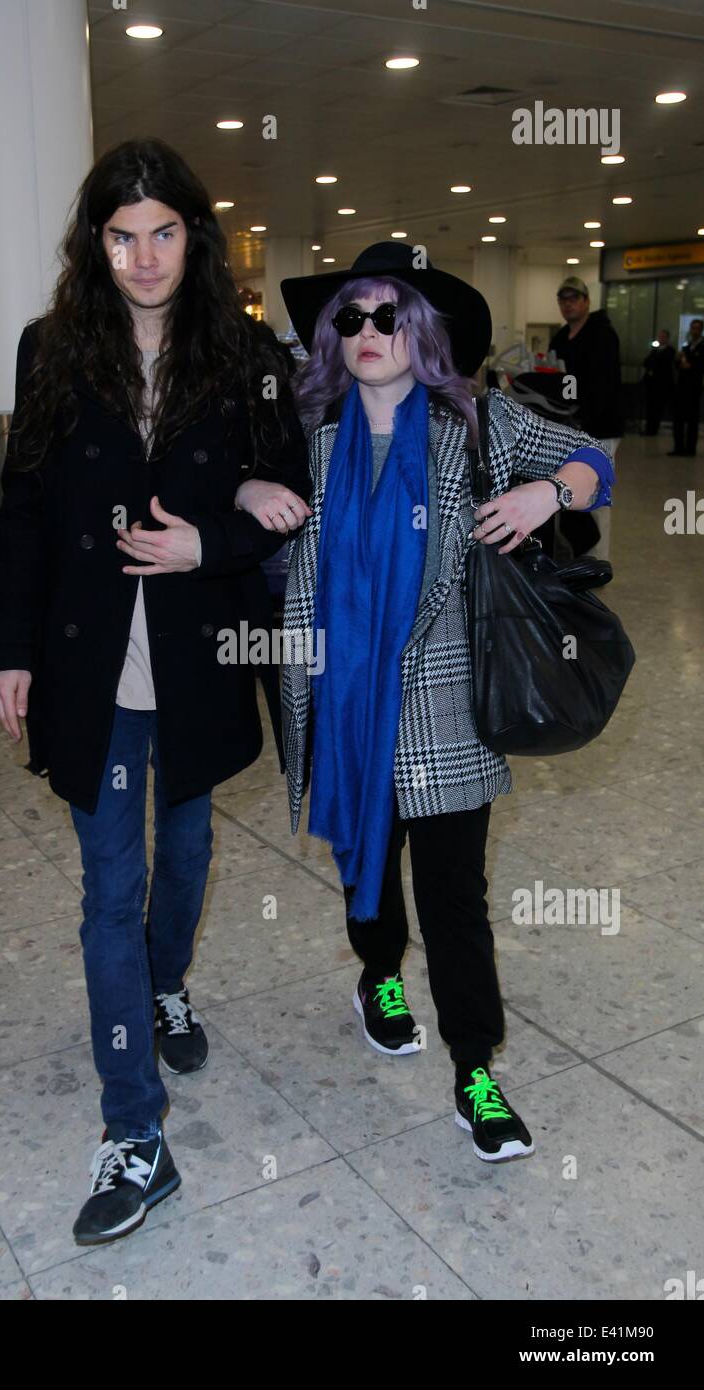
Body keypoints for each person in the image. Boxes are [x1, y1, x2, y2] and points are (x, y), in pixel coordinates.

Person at [0, 138, 310, 1246]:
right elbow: (23, 504)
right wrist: (7, 645)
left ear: (194, 237)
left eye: (163, 231)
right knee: (105, 893)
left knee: (191, 856)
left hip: (199, 657)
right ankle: (136, 1132)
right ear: (95, 245)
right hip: (90, 668)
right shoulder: (52, 349)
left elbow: (287, 494)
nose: (143, 255)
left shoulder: (245, 350)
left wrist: (205, 539)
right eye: (121, 236)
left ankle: (169, 984)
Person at [237, 242, 613, 1163]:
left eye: (389, 314)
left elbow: (597, 455)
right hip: (340, 700)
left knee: (457, 899)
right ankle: (377, 974)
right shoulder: (305, 425)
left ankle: (476, 1068)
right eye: (352, 318)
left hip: (446, 706)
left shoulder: (477, 422)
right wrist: (247, 486)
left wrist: (543, 495)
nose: (369, 333)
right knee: (367, 869)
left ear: (424, 331)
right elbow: (230, 484)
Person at [549, 276, 623, 559]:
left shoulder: (602, 335)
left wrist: (583, 420)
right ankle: (578, 554)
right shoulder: (561, 337)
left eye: (573, 299)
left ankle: (598, 561)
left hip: (600, 429)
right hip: (570, 428)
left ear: (586, 301)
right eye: (563, 299)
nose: (568, 305)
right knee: (573, 491)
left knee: (598, 493)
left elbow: (604, 388)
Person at [669, 318, 704, 457]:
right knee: (678, 418)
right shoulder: (686, 346)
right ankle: (678, 447)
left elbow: (700, 366)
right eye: (692, 328)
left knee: (691, 420)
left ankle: (690, 449)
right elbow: (678, 365)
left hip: (694, 388)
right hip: (681, 388)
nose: (694, 331)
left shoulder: (702, 347)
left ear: (701, 330)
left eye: (697, 328)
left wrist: (691, 366)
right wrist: (679, 361)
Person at [641, 329, 675, 436]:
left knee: (657, 408)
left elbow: (662, 364)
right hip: (651, 385)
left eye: (662, 337)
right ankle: (649, 428)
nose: (660, 339)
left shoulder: (670, 350)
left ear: (667, 338)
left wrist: (654, 366)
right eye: (659, 336)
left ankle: (653, 429)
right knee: (650, 408)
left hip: (661, 385)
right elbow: (646, 362)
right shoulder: (655, 350)